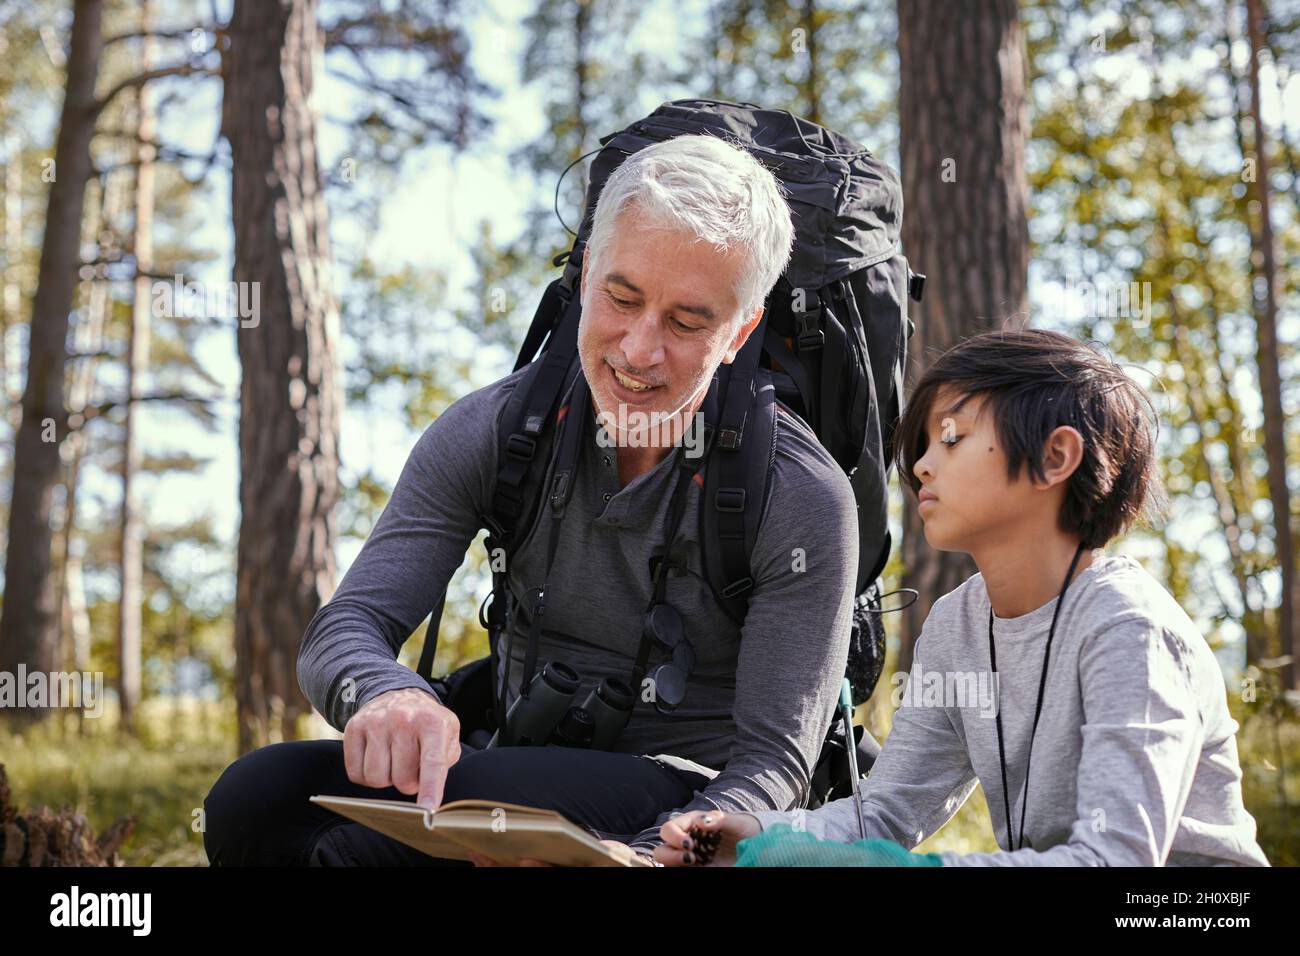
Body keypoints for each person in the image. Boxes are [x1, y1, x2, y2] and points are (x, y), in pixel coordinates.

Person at [202, 133, 863, 866]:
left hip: (681, 797)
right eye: (622, 296)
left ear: (739, 330)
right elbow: (346, 626)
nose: (639, 351)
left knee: (365, 847)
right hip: (511, 759)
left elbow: (774, 764)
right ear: (583, 279)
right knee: (253, 799)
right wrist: (388, 694)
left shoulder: (799, 494)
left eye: (686, 321)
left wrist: (650, 855)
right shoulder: (497, 429)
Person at [654, 329, 1271, 867]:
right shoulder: (956, 625)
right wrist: (757, 834)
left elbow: (1118, 863)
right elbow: (886, 813)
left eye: (950, 439)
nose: (922, 465)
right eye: (922, 445)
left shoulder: (1129, 628)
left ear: (1056, 456)